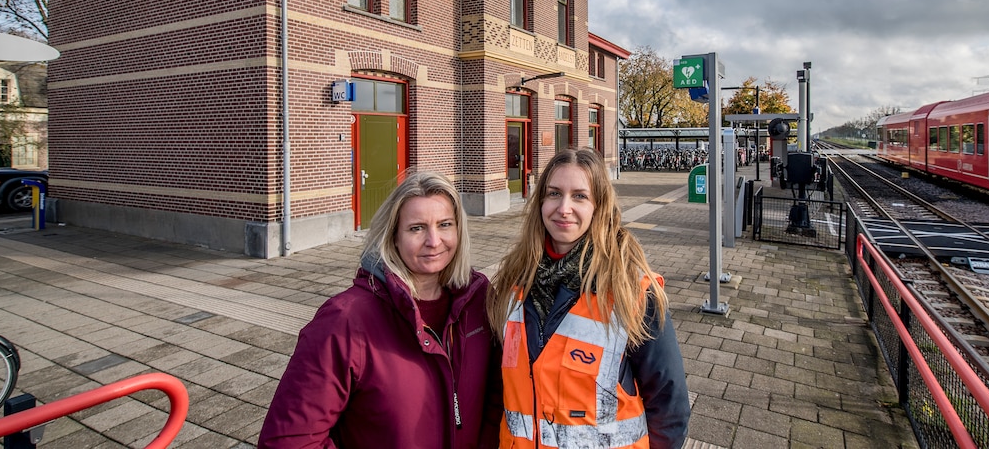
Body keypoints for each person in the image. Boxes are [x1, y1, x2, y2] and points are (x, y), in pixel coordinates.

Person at [259, 171, 500, 449]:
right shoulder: (345, 321)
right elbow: (288, 441)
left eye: (445, 224)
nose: (434, 241)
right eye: (416, 228)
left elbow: (496, 397)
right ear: (394, 236)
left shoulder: (478, 299)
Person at [488, 148, 690, 449]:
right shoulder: (511, 286)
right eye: (554, 193)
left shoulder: (631, 293)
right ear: (540, 201)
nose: (564, 208)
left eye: (579, 196)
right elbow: (498, 394)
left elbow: (669, 408)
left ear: (599, 206)